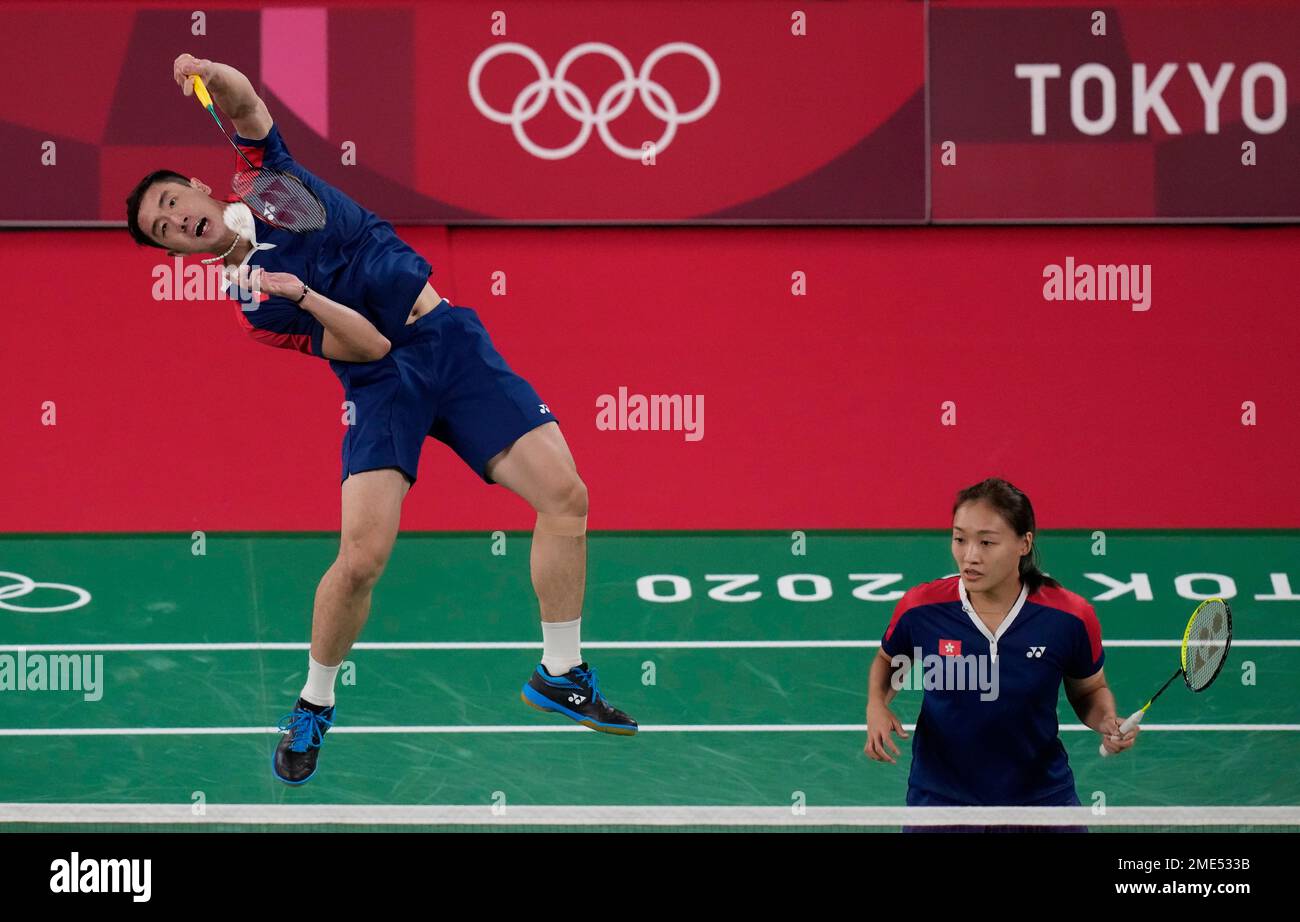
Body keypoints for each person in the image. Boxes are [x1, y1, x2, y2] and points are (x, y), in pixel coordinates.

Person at [124, 55, 637, 785]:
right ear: (175, 252)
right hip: (381, 381)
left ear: (199, 187)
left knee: (566, 497)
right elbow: (369, 347)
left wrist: (210, 68)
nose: (177, 219)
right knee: (362, 559)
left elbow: (241, 104)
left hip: (449, 341)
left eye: (174, 201)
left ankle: (560, 672)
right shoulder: (256, 306)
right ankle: (314, 702)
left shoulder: (269, 182)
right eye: (164, 228)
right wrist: (301, 295)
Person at [864, 478, 1137, 829]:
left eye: (987, 542)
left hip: (1041, 800)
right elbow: (888, 660)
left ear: (1024, 543)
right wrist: (877, 704)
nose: (970, 556)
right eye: (960, 539)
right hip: (941, 801)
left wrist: (1106, 721)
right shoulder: (922, 608)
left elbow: (1089, 690)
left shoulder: (1069, 617)